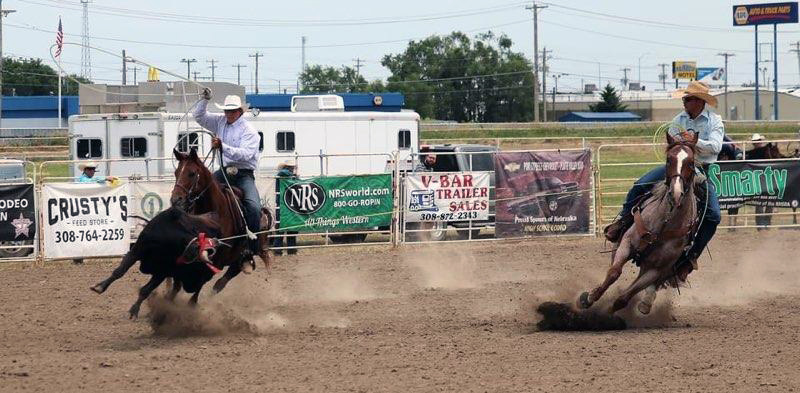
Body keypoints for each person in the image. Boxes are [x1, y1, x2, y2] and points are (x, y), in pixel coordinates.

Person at [604, 81, 723, 281]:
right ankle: (623, 222)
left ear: (700, 101)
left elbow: (716, 147)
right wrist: (680, 144)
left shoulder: (714, 121)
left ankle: (690, 258)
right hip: (676, 166)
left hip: (700, 169)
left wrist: (694, 140)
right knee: (640, 185)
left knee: (713, 215)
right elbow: (671, 144)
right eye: (684, 98)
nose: (684, 101)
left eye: (689, 98)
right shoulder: (679, 119)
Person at [193, 88, 262, 272]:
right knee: (198, 194)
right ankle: (191, 238)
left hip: (243, 175)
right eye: (226, 111)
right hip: (223, 172)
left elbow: (246, 154)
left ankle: (249, 251)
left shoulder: (250, 132)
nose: (229, 114)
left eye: (232, 111)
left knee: (254, 207)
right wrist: (204, 99)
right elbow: (199, 117)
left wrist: (223, 147)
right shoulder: (220, 122)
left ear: (240, 111)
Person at [73, 162, 118, 265]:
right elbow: (89, 182)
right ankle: (77, 257)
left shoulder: (89, 179)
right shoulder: (83, 180)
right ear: (85, 170)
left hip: (88, 210)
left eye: (93, 169)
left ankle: (78, 257)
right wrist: (106, 178)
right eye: (90, 169)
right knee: (82, 232)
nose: (92, 171)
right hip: (84, 210)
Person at [746, 133, 774, 229]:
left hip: (766, 179)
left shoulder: (765, 151)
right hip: (758, 180)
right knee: (760, 203)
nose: (758, 143)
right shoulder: (752, 154)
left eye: (759, 141)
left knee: (769, 202)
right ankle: (761, 226)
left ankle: (767, 223)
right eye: (756, 141)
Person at [273, 160, 298, 255]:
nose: (292, 169)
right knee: (282, 226)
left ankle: (289, 249)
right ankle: (280, 249)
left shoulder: (287, 176)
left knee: (289, 226)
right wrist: (293, 176)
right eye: (291, 167)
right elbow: (283, 173)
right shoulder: (282, 174)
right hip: (284, 203)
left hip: (287, 203)